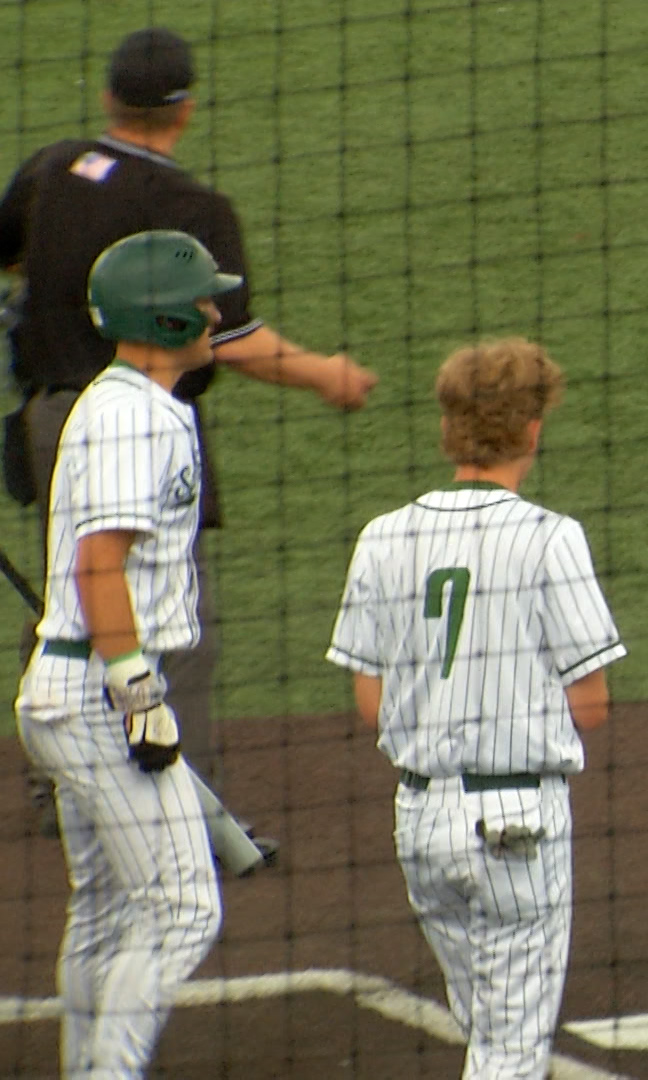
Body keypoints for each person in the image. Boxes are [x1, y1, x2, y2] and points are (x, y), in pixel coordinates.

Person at [0, 25, 378, 845]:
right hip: (144, 422)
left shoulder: (49, 170)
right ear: (186, 109)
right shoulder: (191, 210)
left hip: (48, 425)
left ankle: (61, 783)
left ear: (109, 98)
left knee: (76, 593)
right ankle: (184, 809)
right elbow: (232, 340)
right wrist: (326, 373)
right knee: (176, 619)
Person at [326, 338, 623, 1079]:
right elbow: (591, 703)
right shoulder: (551, 539)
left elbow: (372, 701)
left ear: (449, 429)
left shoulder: (382, 537)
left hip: (422, 827)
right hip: (518, 826)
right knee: (509, 1050)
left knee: (488, 1024)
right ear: (532, 431)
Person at [14, 229, 236, 1078]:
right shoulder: (131, 419)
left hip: (78, 685)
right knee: (183, 909)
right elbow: (98, 560)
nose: (219, 311)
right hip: (103, 691)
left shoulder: (134, 405)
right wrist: (139, 694)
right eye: (207, 300)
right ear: (169, 316)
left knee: (107, 911)